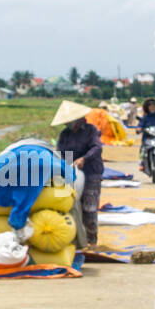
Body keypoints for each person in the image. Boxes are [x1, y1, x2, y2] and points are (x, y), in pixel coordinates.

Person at [52, 100, 104, 249]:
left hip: (91, 172)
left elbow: (96, 148)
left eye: (69, 121)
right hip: (70, 173)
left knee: (89, 207)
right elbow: (60, 152)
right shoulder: (65, 134)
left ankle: (92, 241)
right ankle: (77, 240)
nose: (67, 124)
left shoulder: (91, 130)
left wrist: (84, 159)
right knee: (71, 206)